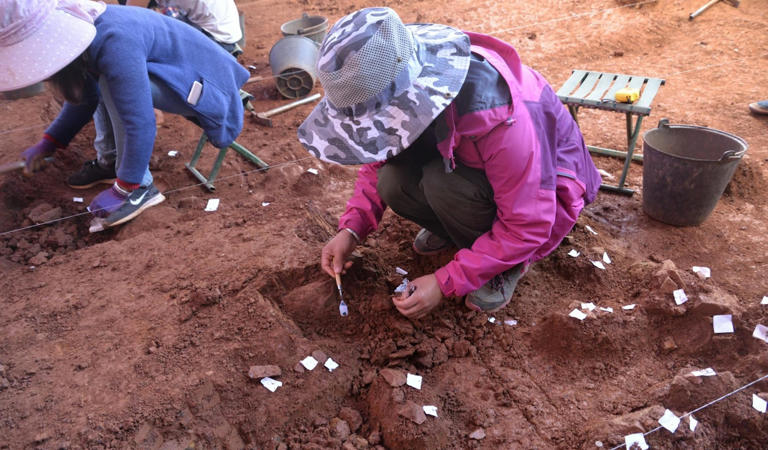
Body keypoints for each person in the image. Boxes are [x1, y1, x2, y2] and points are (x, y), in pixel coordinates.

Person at [298, 7, 601, 319]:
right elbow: (381, 157)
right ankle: (459, 232)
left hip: (547, 202)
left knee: (441, 185)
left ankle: (507, 265)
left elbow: (530, 223)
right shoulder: (404, 85)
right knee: (392, 182)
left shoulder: (500, 118)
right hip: (471, 169)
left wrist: (445, 283)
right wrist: (352, 229)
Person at [3, 0, 248, 229]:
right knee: (104, 82)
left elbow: (140, 121)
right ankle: (110, 163)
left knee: (112, 85)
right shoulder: (87, 31)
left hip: (211, 86)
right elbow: (85, 98)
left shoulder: (114, 40)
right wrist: (49, 142)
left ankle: (140, 188)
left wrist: (125, 188)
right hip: (177, 74)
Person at [68, 0, 244, 190]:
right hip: (197, 25)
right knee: (111, 64)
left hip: (215, 42)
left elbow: (125, 26)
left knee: (116, 79)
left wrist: (141, 98)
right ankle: (110, 160)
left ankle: (137, 186)